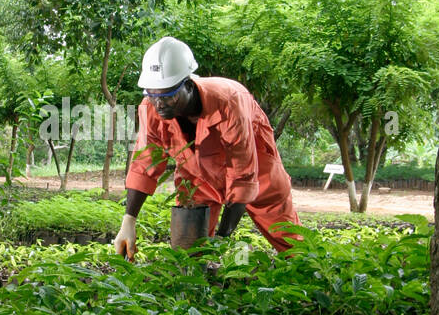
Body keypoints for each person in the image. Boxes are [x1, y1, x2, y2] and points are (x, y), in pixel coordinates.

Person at [114, 37, 300, 257]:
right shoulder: (151, 108)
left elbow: (242, 177)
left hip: (259, 172)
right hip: (197, 179)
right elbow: (144, 164)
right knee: (191, 250)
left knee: (291, 243)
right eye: (151, 94)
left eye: (168, 96)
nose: (159, 103)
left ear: (188, 85)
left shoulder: (229, 102)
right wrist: (129, 221)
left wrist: (221, 240)